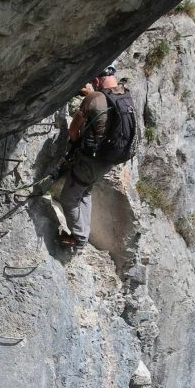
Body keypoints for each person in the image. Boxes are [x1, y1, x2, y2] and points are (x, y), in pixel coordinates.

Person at [57, 65, 131, 251]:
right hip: (109, 159)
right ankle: (83, 231)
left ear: (97, 80)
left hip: (90, 161)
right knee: (85, 191)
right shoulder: (123, 95)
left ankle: (79, 238)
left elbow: (73, 131)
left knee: (69, 197)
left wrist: (74, 145)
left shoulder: (93, 98)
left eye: (92, 81)